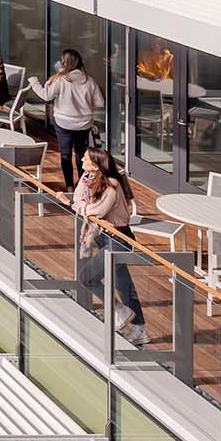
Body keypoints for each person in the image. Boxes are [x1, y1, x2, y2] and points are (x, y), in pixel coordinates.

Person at [65, 149, 149, 347]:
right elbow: (78, 198)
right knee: (123, 284)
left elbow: (97, 210)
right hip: (105, 236)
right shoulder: (89, 178)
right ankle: (139, 329)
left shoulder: (112, 186)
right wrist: (79, 203)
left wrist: (76, 206)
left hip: (119, 239)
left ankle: (119, 311)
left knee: (87, 278)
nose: (82, 158)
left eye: (86, 157)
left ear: (96, 165)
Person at [26, 48, 107, 190]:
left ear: (64, 63)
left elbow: (46, 96)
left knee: (66, 154)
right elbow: (100, 103)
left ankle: (69, 186)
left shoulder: (61, 79)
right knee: (81, 155)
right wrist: (84, 103)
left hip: (64, 122)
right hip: (84, 123)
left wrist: (34, 82)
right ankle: (82, 185)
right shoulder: (89, 80)